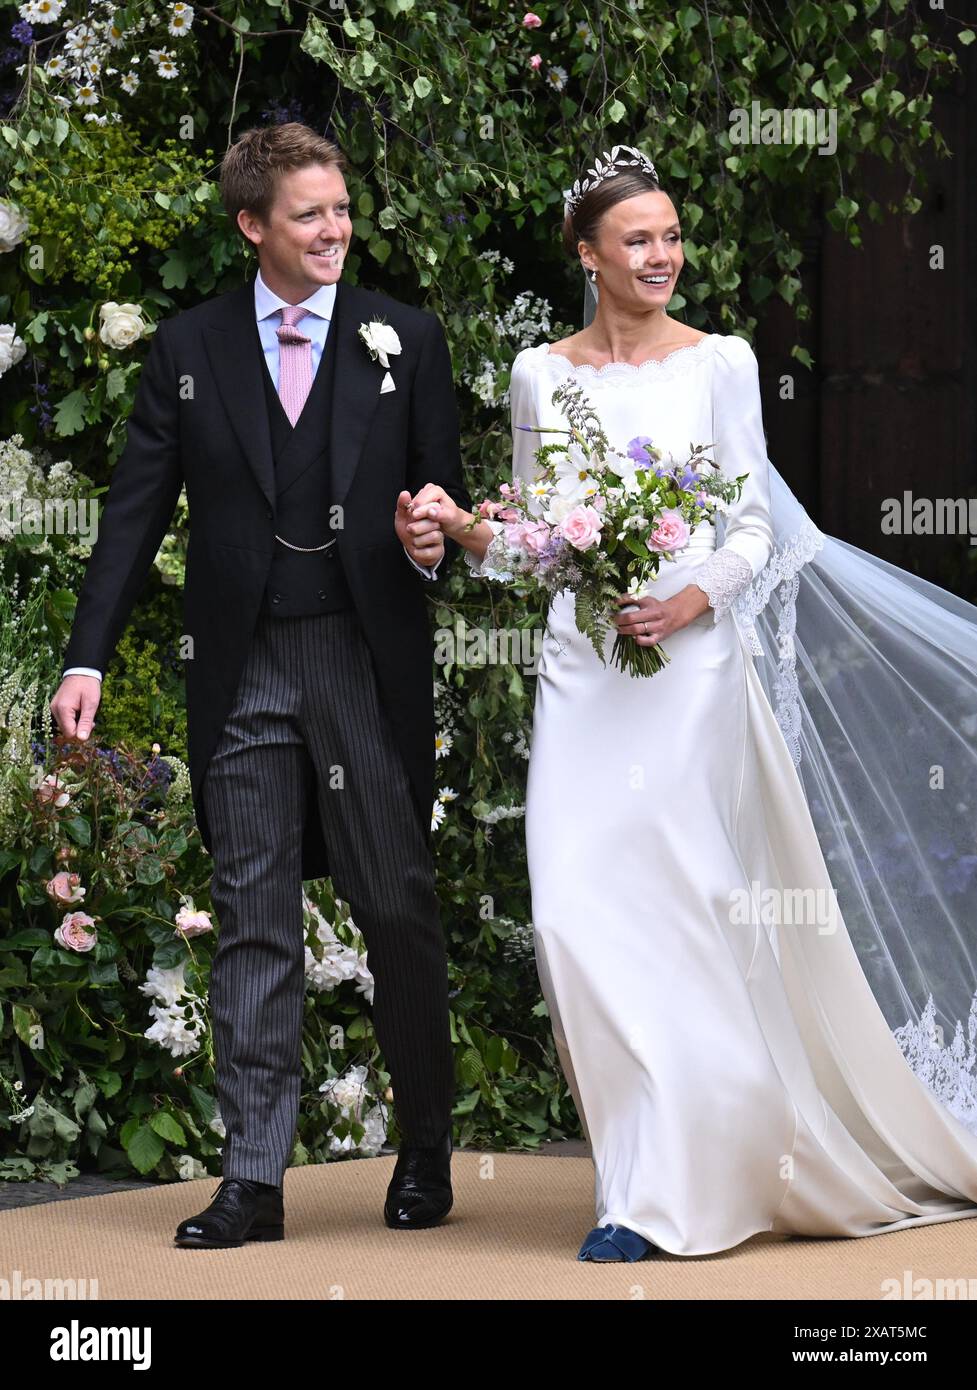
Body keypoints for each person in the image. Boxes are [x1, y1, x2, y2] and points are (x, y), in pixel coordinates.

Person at [410, 146, 977, 1261]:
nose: (661, 255)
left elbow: (755, 525)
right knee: (572, 917)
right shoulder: (537, 374)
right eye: (638, 239)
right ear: (587, 254)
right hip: (583, 669)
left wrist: (688, 599)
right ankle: (643, 1171)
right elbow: (534, 540)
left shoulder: (720, 362)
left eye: (670, 236)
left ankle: (655, 1196)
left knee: (684, 912)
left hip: (690, 666)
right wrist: (461, 531)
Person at [49, 122, 471, 1247]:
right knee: (251, 918)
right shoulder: (189, 347)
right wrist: (86, 656)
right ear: (251, 225)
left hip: (362, 662)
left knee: (395, 906)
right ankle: (252, 1180)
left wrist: (429, 540)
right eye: (308, 214)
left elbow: (446, 508)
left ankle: (425, 1144)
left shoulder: (405, 337)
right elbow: (133, 513)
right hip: (239, 671)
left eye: (341, 209)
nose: (335, 230)